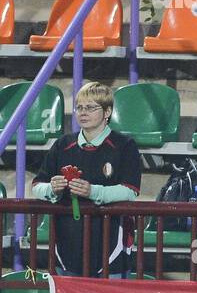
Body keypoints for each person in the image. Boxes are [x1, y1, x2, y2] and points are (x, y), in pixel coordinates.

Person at [32, 81, 141, 277]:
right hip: (66, 243)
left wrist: (93, 191)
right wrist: (51, 189)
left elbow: (130, 190)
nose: (83, 112)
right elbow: (37, 186)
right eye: (79, 107)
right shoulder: (62, 144)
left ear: (107, 112)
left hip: (111, 246)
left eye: (90, 107)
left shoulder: (125, 146)